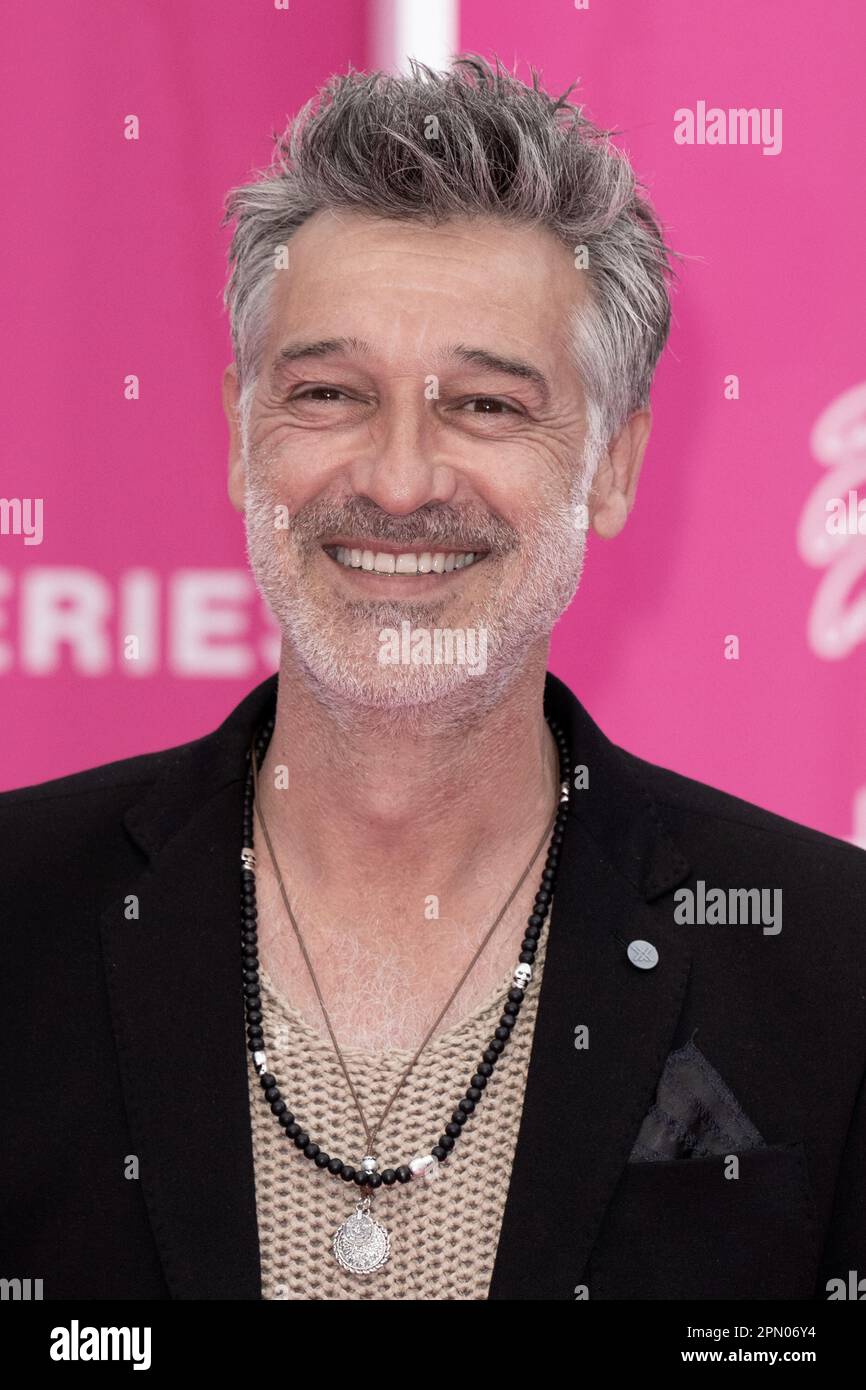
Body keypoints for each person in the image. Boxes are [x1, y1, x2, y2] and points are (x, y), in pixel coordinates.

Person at [1, 54, 864, 1302]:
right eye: (329, 393)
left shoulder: (829, 967)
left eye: (484, 406)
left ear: (611, 467)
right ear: (242, 435)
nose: (400, 481)